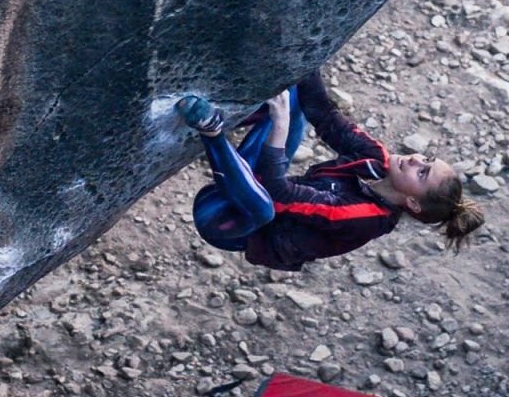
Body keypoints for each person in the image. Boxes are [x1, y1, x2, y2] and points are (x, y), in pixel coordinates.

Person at [176, 68, 484, 271]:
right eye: (427, 158)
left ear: (413, 202)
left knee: (265, 205)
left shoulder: (362, 218)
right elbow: (323, 114)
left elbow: (278, 193)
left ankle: (211, 130)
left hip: (227, 222)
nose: (416, 159)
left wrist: (280, 126)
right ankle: (224, 111)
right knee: (293, 99)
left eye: (422, 173)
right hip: (248, 186)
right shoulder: (377, 159)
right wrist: (306, 56)